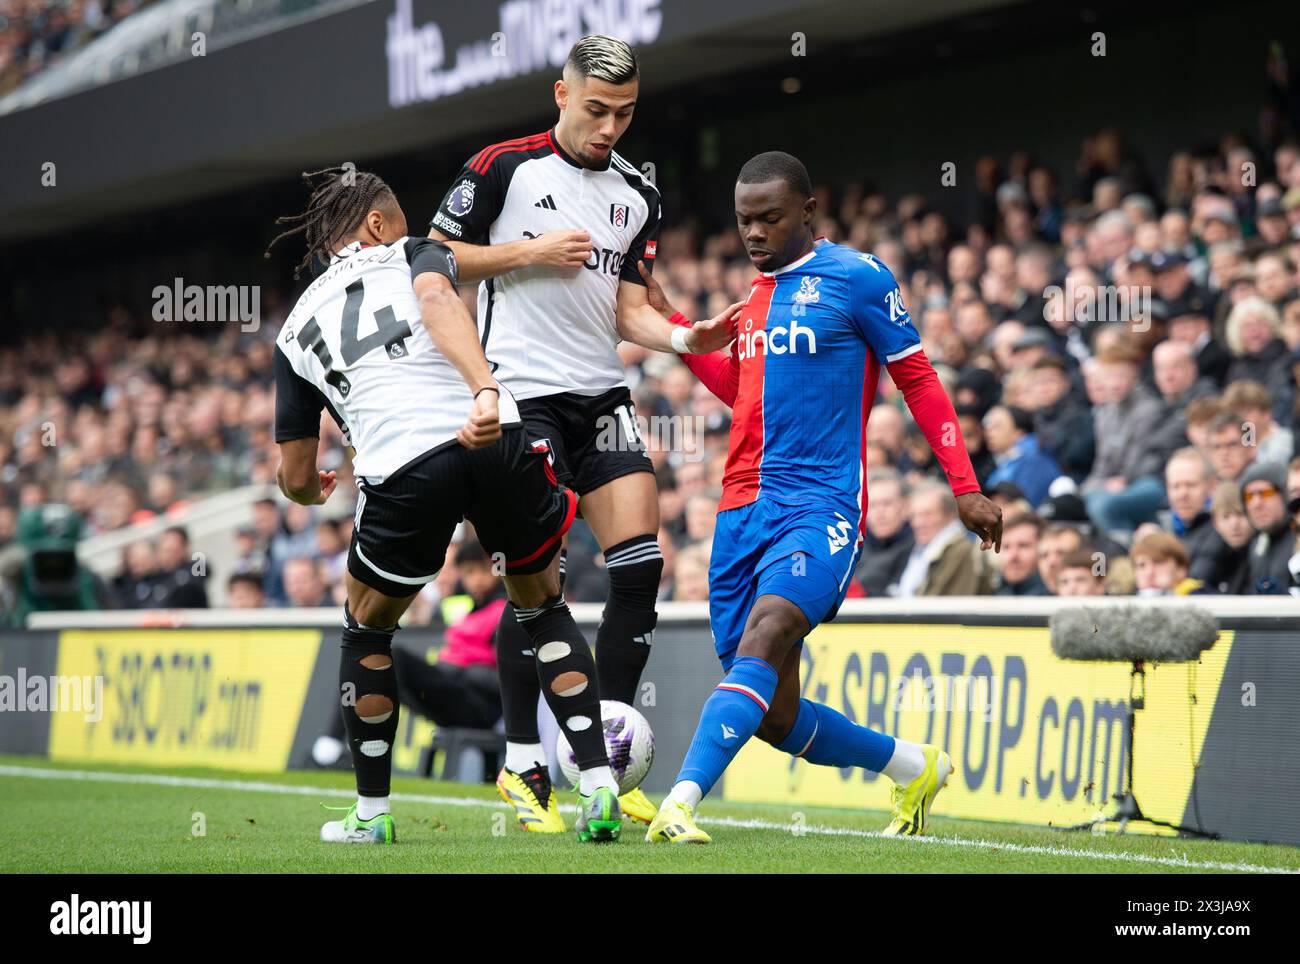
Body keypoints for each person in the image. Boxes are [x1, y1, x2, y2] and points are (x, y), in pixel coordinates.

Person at [637, 151, 1002, 843]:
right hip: (742, 511)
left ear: (808, 211)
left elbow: (918, 380)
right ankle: (912, 766)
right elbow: (740, 392)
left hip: (822, 506)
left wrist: (965, 486)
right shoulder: (755, 300)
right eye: (744, 221)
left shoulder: (858, 279)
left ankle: (680, 800)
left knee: (769, 628)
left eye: (769, 219)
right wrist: (679, 327)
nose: (753, 234)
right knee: (774, 715)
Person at [427, 35, 738, 830]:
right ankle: (524, 764)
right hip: (521, 393)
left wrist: (681, 338)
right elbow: (430, 260)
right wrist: (527, 250)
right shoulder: (503, 166)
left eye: (625, 114)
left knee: (639, 570)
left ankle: (604, 749)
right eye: (596, 110)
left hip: (601, 392)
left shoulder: (638, 193)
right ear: (561, 95)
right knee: (540, 580)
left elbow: (629, 307)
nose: (609, 128)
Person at [266, 166, 625, 844]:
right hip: (497, 438)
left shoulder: (291, 333)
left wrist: (308, 488)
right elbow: (436, 298)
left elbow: (293, 472)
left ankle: (371, 816)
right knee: (543, 606)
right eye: (401, 216)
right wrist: (484, 390)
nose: (416, 229)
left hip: (405, 465)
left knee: (368, 632)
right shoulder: (413, 253)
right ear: (378, 224)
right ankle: (600, 788)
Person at [390, 541, 505, 732]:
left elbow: (510, 681)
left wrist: (462, 670)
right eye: (468, 572)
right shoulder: (469, 611)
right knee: (381, 661)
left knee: (396, 657)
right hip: (459, 690)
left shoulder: (504, 612)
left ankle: (336, 742)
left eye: (484, 570)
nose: (476, 579)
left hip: (484, 707)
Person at [982, 404, 1061, 506]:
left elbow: (1025, 506)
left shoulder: (1034, 461)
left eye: (997, 427)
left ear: (1019, 432)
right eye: (987, 427)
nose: (989, 433)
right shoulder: (1006, 462)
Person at [1240, 462, 1297, 594]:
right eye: (1249, 496)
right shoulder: (1256, 545)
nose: (1256, 503)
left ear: (1285, 495)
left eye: (1265, 493)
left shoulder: (1297, 539)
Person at [856, 468, 914, 596]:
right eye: (873, 505)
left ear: (905, 507)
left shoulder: (917, 548)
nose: (880, 512)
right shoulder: (855, 547)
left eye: (887, 503)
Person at [995, 513, 1048, 595]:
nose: (1012, 556)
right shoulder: (997, 593)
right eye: (1006, 547)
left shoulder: (1058, 598)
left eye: (1023, 546)